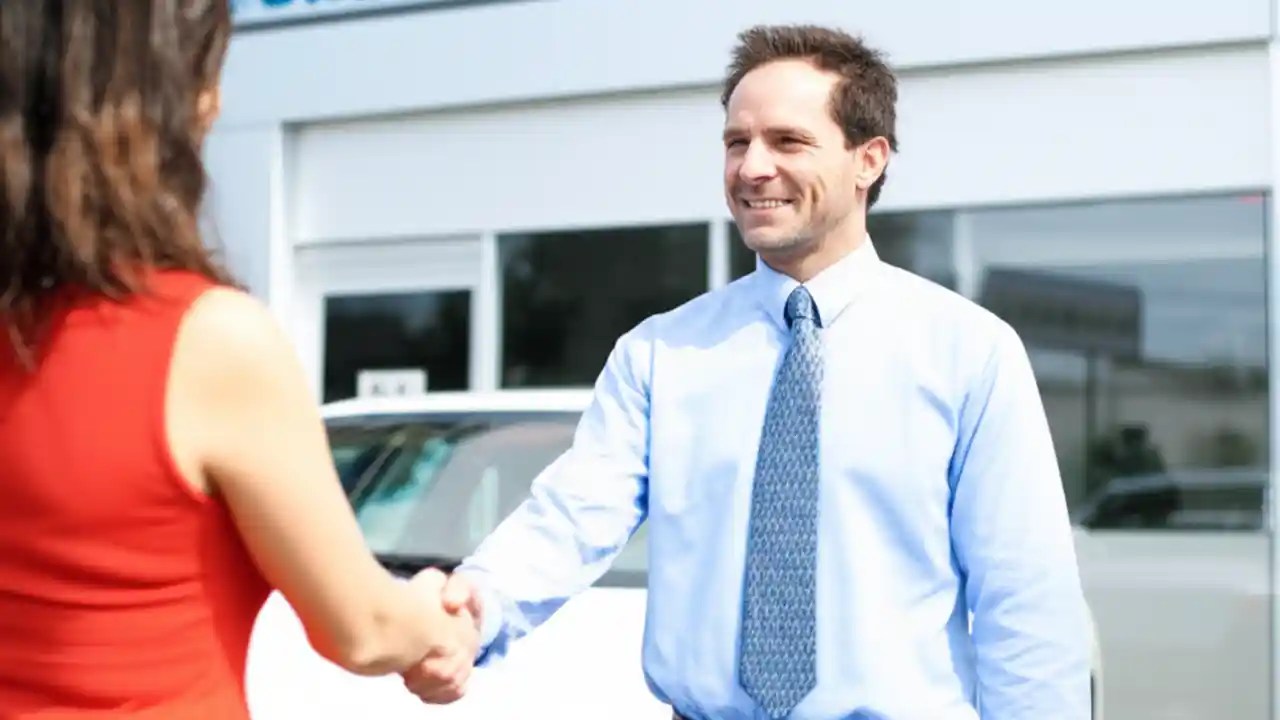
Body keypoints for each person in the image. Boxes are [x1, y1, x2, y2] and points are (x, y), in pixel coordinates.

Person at [406, 23, 1092, 720]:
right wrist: (474, 611)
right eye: (737, 142)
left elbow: (1025, 600)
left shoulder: (967, 352)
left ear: (869, 159)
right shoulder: (660, 353)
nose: (751, 168)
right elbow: (570, 517)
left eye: (787, 141)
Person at [0, 1, 476, 716]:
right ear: (165, 101)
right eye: (210, 72)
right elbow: (364, 628)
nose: (219, 102)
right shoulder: (209, 341)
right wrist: (442, 619)